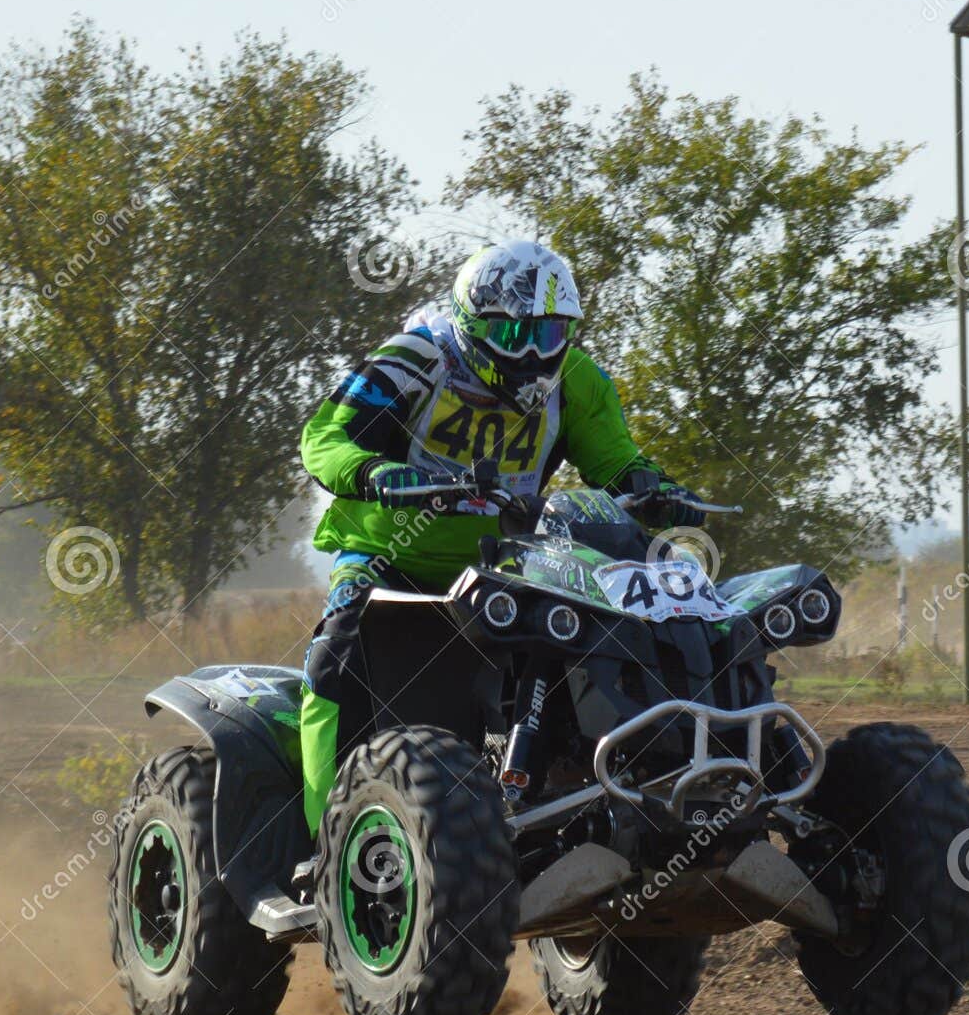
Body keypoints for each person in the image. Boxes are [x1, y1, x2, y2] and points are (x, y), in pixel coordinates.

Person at [298, 239, 705, 833]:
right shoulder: (414, 358)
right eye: (516, 336)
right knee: (336, 658)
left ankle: (590, 800)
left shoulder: (577, 379)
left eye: (550, 334)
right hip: (390, 560)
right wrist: (377, 472)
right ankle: (323, 840)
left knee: (611, 636)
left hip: (512, 563)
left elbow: (614, 459)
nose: (535, 353)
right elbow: (324, 437)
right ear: (471, 325)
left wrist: (651, 484)